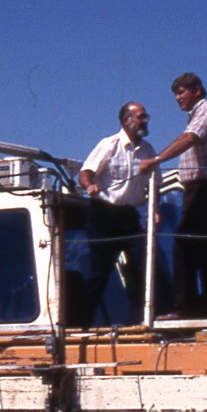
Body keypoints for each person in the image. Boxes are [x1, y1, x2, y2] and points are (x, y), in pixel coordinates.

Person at [138, 72, 207, 318]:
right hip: (201, 188)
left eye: (181, 92)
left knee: (184, 245)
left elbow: (190, 138)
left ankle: (184, 308)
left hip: (204, 187)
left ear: (196, 90)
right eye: (176, 93)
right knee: (203, 249)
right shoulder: (198, 114)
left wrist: (156, 159)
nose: (178, 98)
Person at [76, 102, 156, 322]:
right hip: (103, 214)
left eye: (146, 116)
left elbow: (154, 184)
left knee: (142, 267)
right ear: (126, 120)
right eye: (140, 117)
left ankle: (139, 320)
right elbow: (85, 172)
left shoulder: (148, 150)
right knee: (99, 272)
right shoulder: (109, 144)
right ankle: (81, 323)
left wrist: (155, 209)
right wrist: (89, 186)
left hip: (129, 216)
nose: (145, 121)